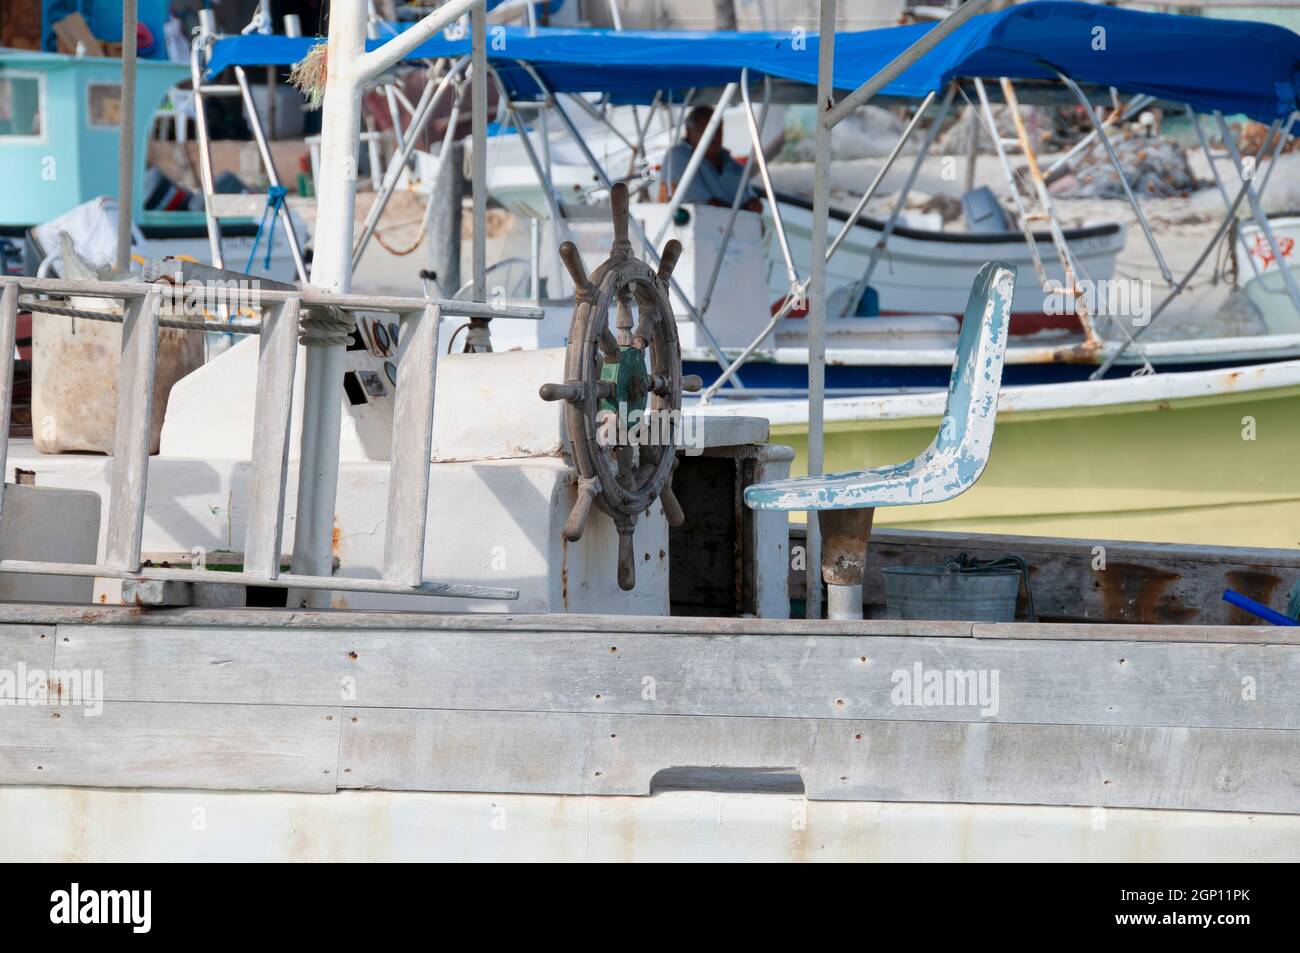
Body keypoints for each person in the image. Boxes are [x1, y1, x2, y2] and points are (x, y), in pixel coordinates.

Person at [658, 106, 762, 212]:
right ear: (689, 132)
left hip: (738, 226)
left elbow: (752, 200)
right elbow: (704, 206)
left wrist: (754, 204)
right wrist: (744, 211)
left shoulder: (731, 163)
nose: (715, 136)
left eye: (718, 129)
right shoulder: (677, 157)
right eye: (708, 130)